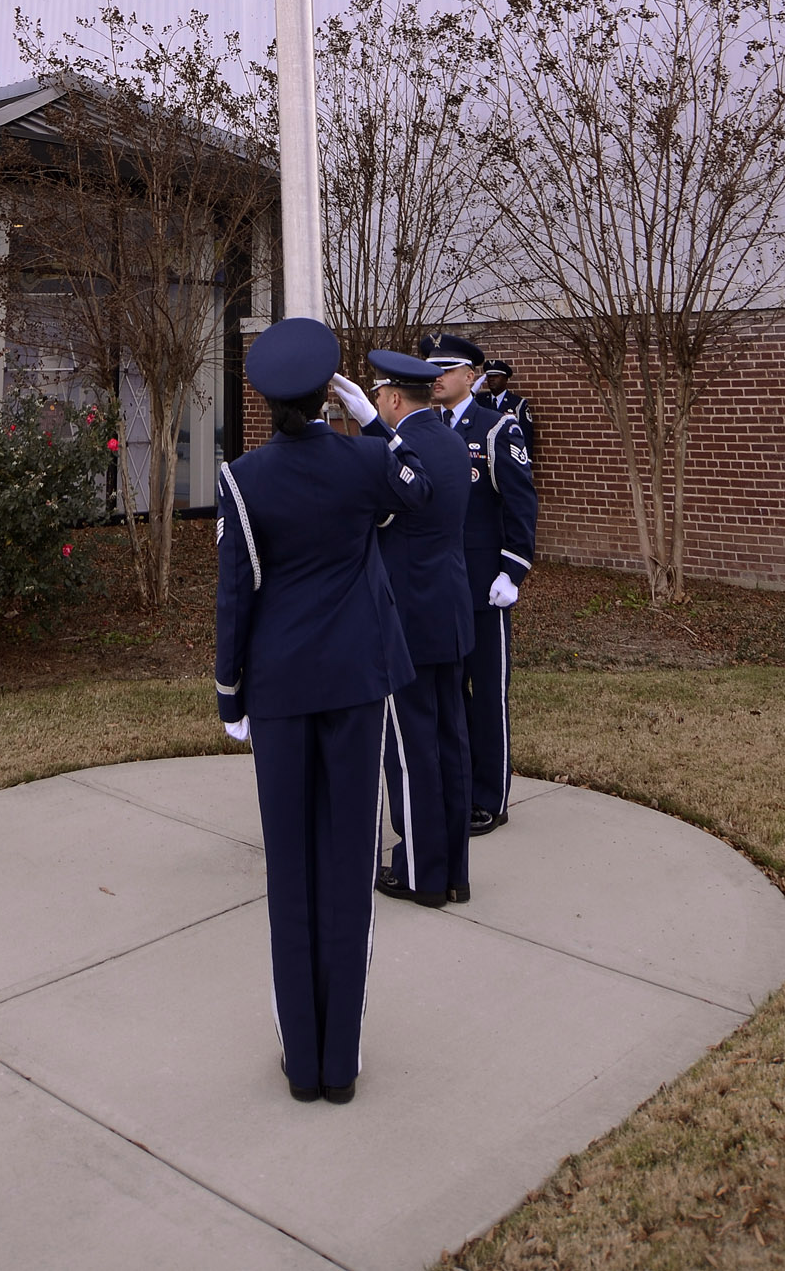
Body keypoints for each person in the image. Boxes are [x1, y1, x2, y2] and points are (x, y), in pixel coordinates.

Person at [216, 316, 431, 1106]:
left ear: (267, 402)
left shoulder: (243, 477)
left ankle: (301, 1060)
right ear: (328, 393)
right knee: (347, 868)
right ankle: (341, 1063)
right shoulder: (366, 460)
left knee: (292, 871)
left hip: (277, 689)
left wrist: (228, 692)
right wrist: (376, 423)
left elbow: (235, 593)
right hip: (353, 684)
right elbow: (423, 493)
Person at [352, 349, 474, 909]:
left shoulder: (401, 449)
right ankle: (453, 871)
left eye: (378, 398)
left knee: (409, 749)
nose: (376, 404)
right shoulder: (451, 438)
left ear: (395, 399)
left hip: (407, 618)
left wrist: (372, 432)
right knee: (451, 741)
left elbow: (385, 502)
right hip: (449, 611)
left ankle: (422, 874)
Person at [420, 333, 538, 834]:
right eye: (432, 368)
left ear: (472, 375)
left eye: (448, 368)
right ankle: (454, 787)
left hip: (484, 586)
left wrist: (512, 570)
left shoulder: (496, 429)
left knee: (487, 693)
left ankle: (490, 796)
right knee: (447, 693)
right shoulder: (420, 430)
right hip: (436, 586)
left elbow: (520, 504)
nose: (438, 376)